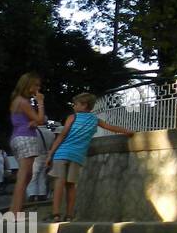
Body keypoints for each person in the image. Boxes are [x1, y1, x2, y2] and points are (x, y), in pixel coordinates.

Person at [44, 92, 134, 222]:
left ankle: (56, 214)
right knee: (71, 185)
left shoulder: (73, 117)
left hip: (62, 153)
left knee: (59, 183)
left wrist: (50, 154)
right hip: (77, 156)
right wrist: (127, 131)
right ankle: (69, 215)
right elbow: (111, 127)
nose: (74, 106)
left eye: (76, 104)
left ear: (84, 105)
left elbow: (62, 135)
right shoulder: (95, 120)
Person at [8, 72, 47, 214]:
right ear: (27, 84)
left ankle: (14, 210)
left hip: (18, 137)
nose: (38, 88)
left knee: (27, 175)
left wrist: (35, 121)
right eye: (36, 85)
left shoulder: (17, 100)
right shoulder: (23, 102)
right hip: (26, 137)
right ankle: (15, 213)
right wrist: (40, 102)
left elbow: (36, 120)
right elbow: (41, 119)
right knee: (24, 176)